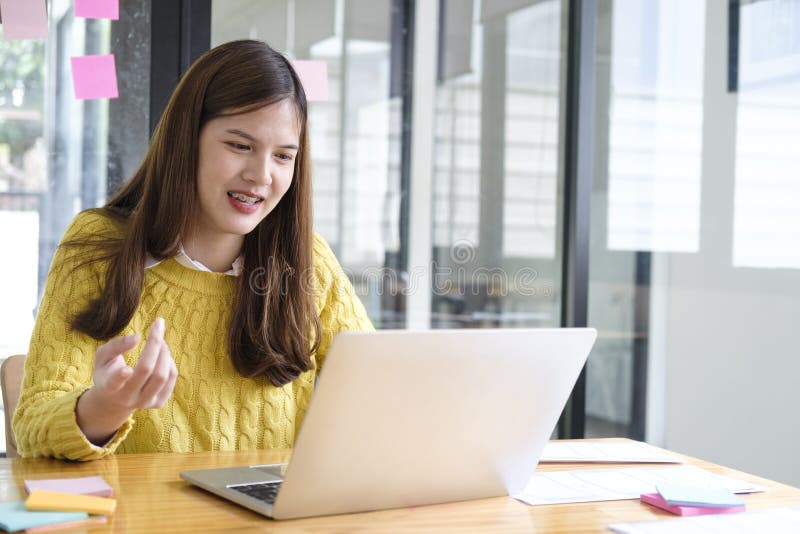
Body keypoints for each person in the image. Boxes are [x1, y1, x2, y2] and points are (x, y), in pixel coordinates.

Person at [12, 40, 373, 461]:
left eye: (283, 156)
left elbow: (380, 394)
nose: (261, 175)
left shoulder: (306, 260)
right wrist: (105, 407)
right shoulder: (100, 248)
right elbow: (33, 425)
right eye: (240, 145)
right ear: (187, 139)